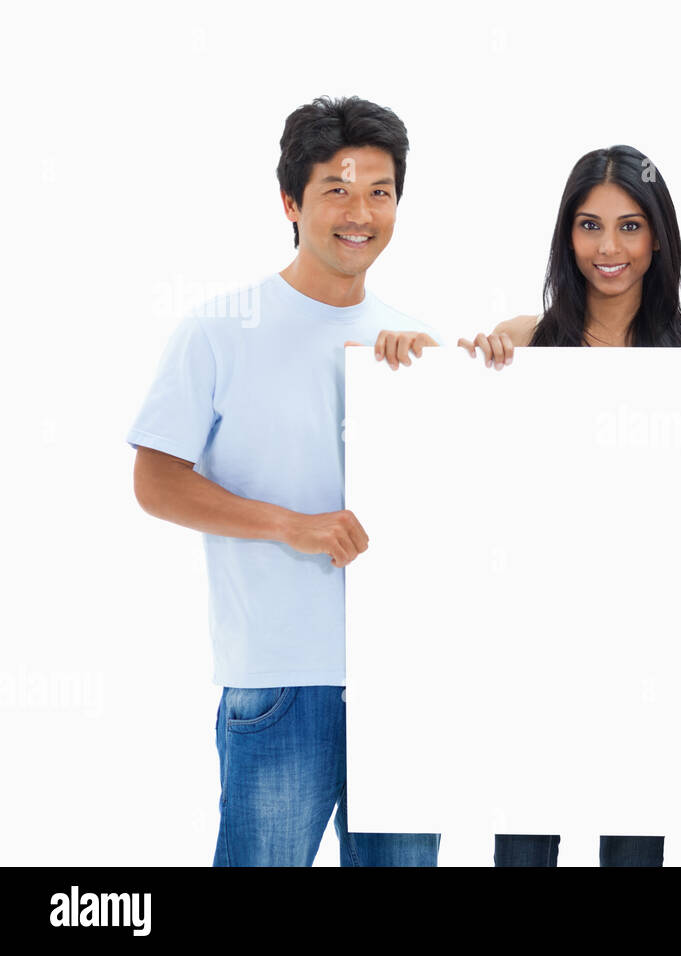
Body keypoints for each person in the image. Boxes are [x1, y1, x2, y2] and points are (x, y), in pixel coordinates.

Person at [128, 96, 443, 866]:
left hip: (406, 677)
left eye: (380, 191)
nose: (360, 211)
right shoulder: (218, 328)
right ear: (290, 202)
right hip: (280, 677)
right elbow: (155, 482)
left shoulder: (411, 340)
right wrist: (290, 524)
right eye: (336, 189)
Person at [461, 143, 681, 866]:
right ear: (567, 236)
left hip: (649, 653)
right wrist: (440, 362)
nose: (608, 248)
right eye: (589, 226)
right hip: (535, 646)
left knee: (633, 854)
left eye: (629, 226)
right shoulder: (522, 342)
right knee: (523, 848)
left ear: (658, 236)